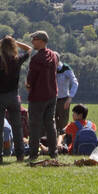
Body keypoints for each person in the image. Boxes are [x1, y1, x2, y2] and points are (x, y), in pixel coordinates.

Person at [0, 34, 31, 164]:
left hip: (0, 97)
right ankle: (20, 155)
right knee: (17, 127)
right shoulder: (18, 59)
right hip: (14, 97)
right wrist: (16, 42)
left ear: (2, 47)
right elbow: (29, 49)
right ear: (13, 47)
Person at [24, 30, 60, 162]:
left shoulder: (36, 59)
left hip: (38, 96)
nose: (32, 41)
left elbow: (30, 80)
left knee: (34, 125)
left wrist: (28, 86)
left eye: (34, 39)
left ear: (41, 40)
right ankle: (53, 152)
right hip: (52, 95)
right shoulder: (53, 56)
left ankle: (33, 153)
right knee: (50, 124)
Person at [55, 60, 79, 144]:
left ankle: (63, 145)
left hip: (63, 100)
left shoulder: (66, 68)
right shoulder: (50, 67)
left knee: (63, 125)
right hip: (52, 100)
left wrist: (70, 98)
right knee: (51, 123)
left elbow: (75, 82)